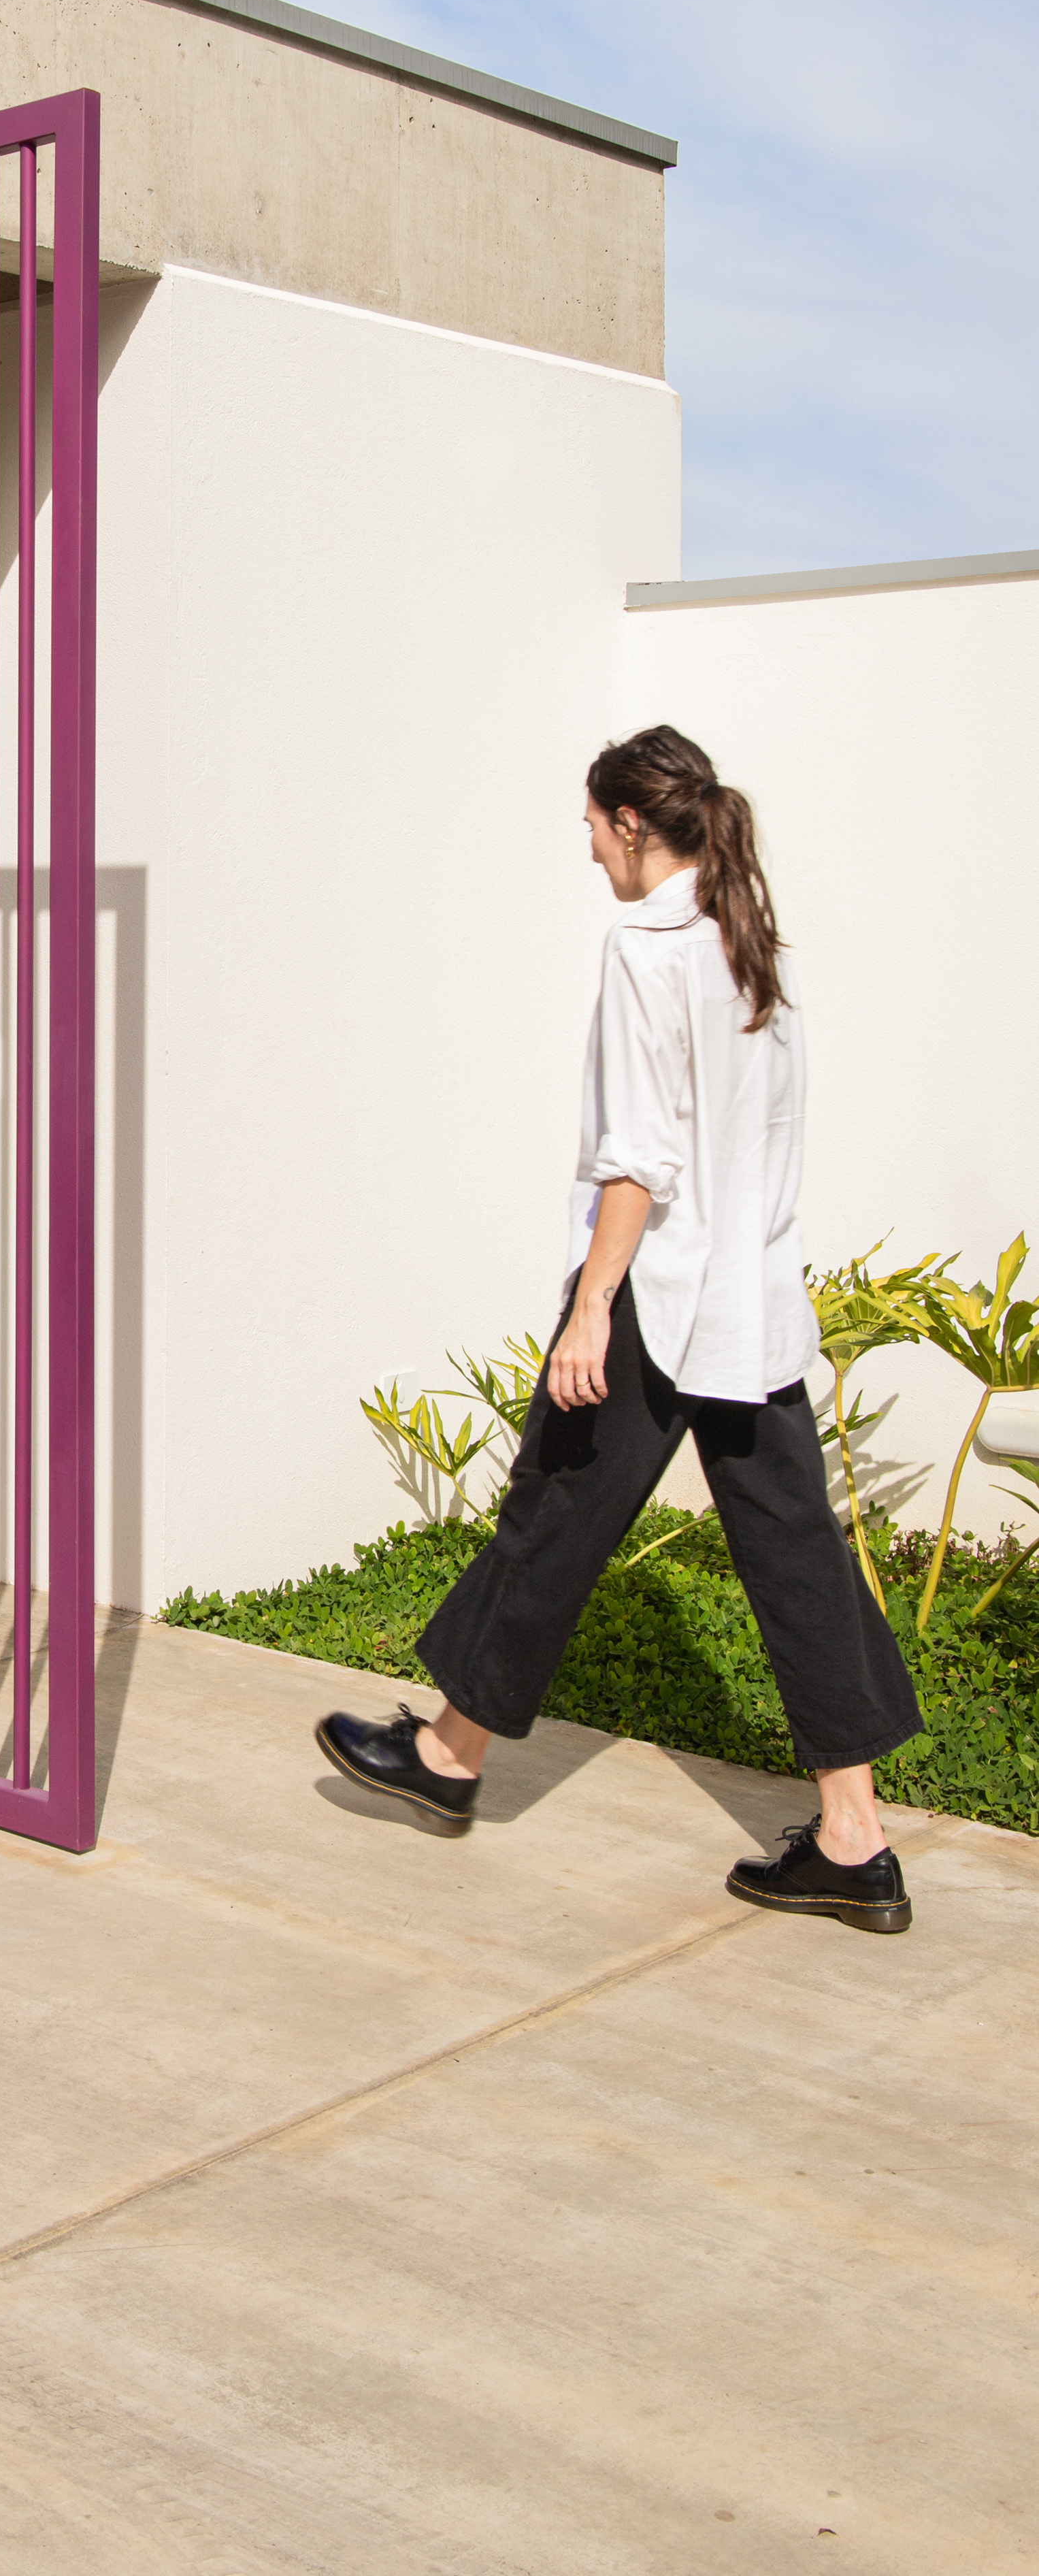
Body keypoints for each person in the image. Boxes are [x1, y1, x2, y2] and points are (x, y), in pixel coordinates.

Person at [316, 725, 923, 1935]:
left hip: (656, 1301)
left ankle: (449, 1759)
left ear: (635, 825)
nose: (585, 843)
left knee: (553, 1514)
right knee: (796, 1555)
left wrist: (592, 1306)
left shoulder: (647, 948)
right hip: (754, 1311)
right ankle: (852, 1837)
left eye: (593, 823)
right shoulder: (751, 951)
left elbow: (639, 1162)